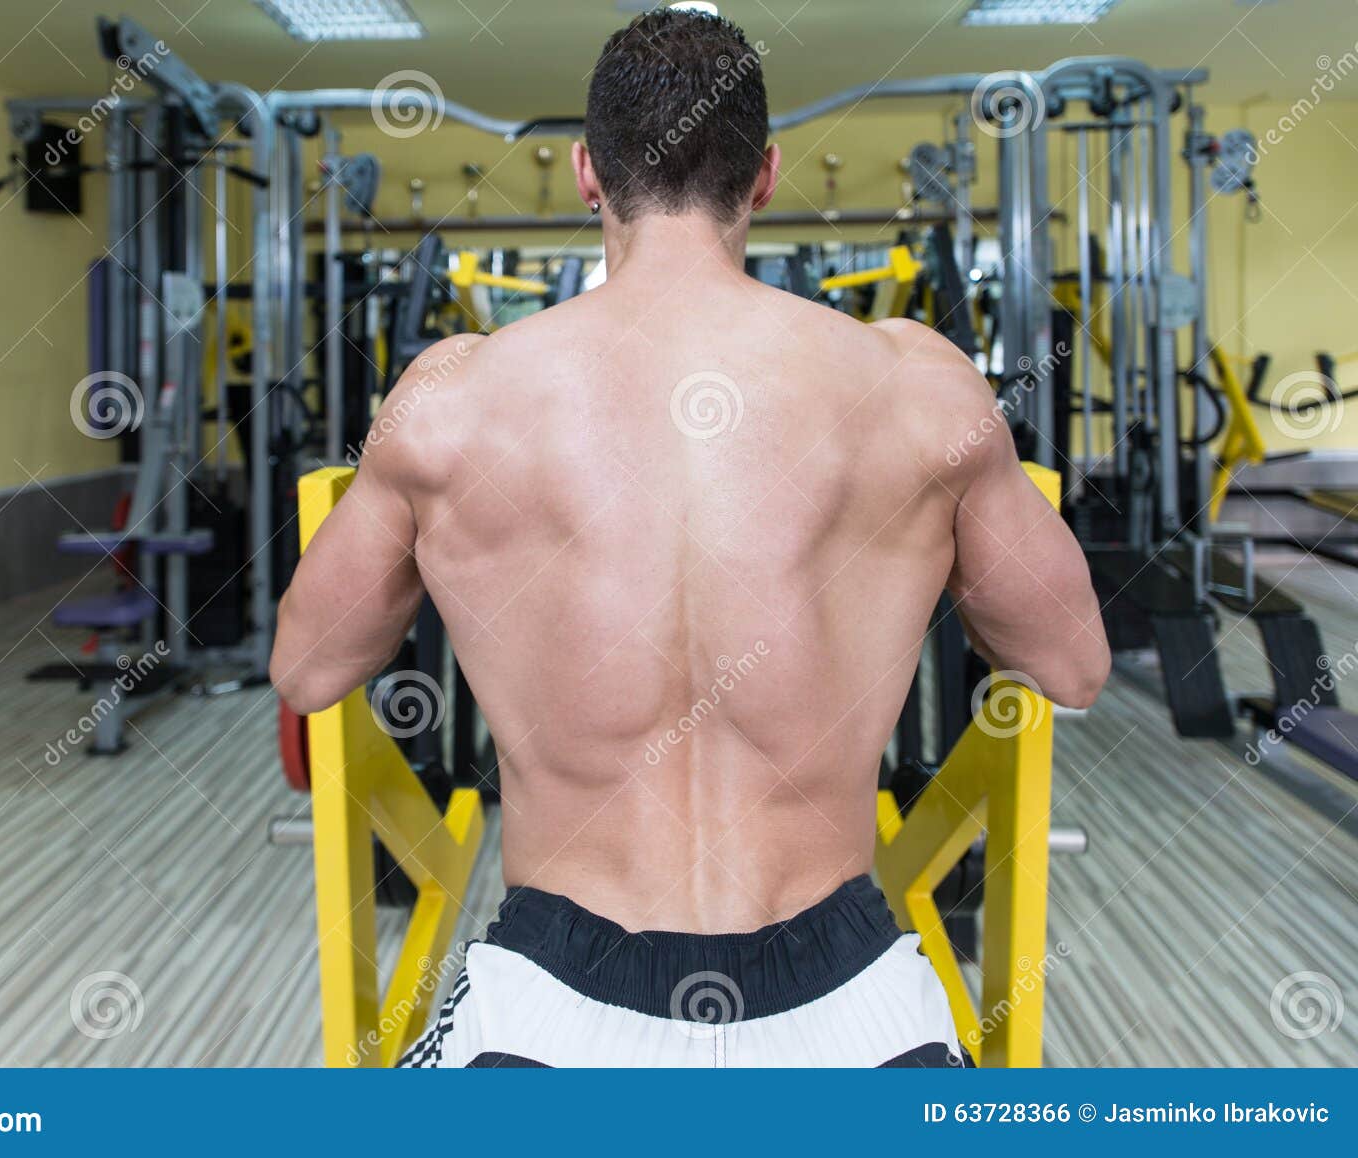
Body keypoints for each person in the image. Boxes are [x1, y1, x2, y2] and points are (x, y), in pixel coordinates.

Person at [271, 7, 1109, 1068]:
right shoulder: (914, 387)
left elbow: (306, 669)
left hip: (548, 1009)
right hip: (851, 1005)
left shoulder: (454, 401)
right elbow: (1073, 665)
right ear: (761, 178)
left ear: (586, 173)